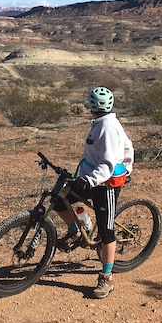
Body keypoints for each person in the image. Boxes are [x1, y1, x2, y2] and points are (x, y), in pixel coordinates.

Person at [53, 86, 134, 299]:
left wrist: (90, 180)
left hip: (105, 184)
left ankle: (106, 277)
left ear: (90, 106)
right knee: (60, 199)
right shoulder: (103, 123)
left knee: (106, 232)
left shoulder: (107, 127)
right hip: (92, 177)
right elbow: (128, 146)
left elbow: (107, 164)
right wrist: (129, 167)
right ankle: (77, 231)